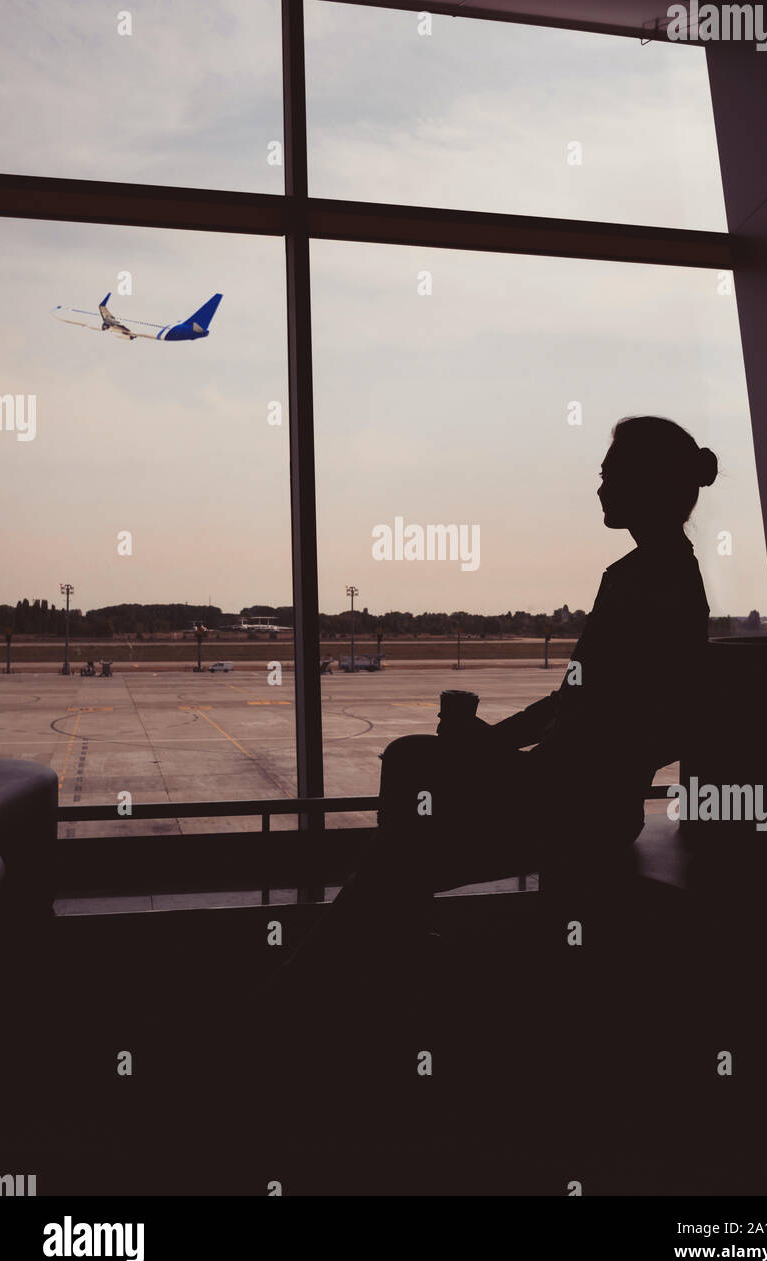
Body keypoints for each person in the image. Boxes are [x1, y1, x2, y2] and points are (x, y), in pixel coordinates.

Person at [286, 416, 717, 981]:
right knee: (410, 768)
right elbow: (581, 699)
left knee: (405, 804)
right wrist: (498, 741)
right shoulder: (654, 573)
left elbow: (648, 719)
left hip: (577, 801)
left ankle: (331, 967)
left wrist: (522, 756)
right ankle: (389, 936)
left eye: (610, 474)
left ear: (647, 482)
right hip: (566, 784)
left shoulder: (648, 579)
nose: (600, 487)